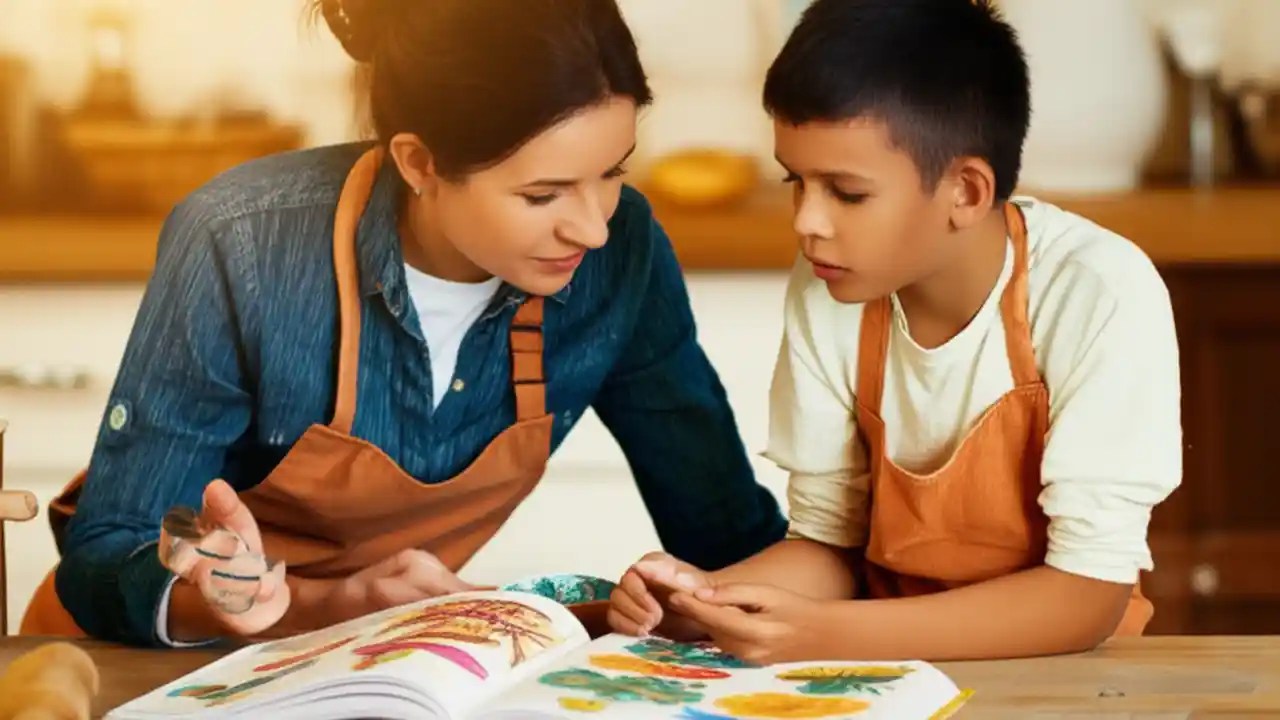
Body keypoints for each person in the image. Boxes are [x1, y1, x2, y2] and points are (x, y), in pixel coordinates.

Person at [21, 0, 787, 647]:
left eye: (614, 172)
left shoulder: (625, 257)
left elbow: (725, 535)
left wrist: (679, 596)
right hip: (156, 666)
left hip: (386, 662)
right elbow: (105, 556)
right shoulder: (242, 242)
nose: (591, 228)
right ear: (419, 164)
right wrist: (286, 598)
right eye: (543, 194)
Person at [608, 0, 1183, 663]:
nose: (807, 222)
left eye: (846, 193)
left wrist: (825, 634)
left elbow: (1087, 594)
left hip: (1064, 675)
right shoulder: (832, 285)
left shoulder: (1096, 289)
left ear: (966, 192)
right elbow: (829, 547)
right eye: (797, 182)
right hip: (883, 670)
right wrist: (701, 602)